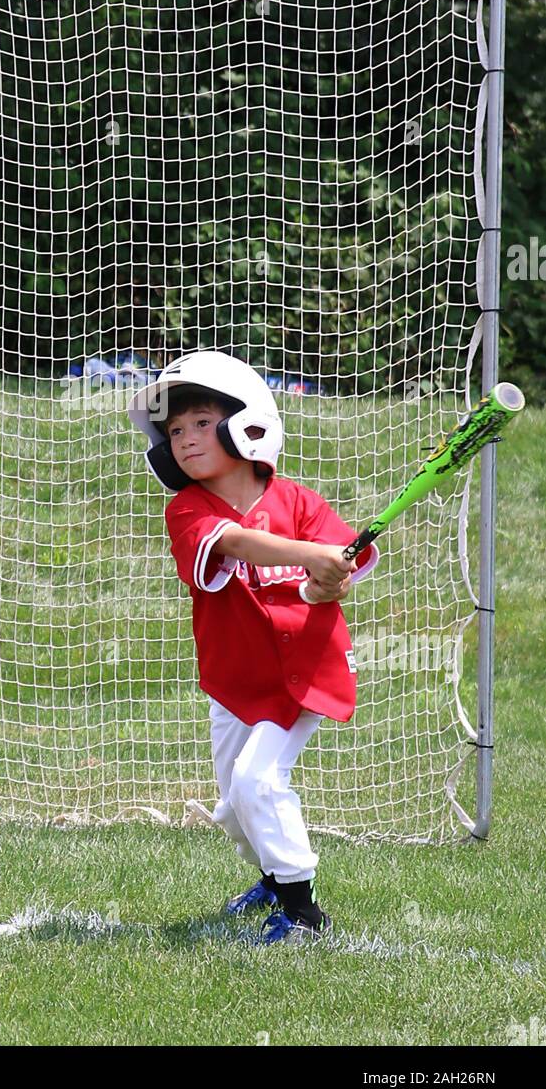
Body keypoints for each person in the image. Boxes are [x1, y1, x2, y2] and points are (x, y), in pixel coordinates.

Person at [127, 351, 379, 943]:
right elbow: (235, 542)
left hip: (303, 672)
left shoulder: (297, 501)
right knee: (237, 810)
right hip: (236, 682)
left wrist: (334, 577)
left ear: (246, 422)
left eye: (199, 423)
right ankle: (270, 876)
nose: (185, 438)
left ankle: (302, 912)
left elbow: (350, 557)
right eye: (175, 431)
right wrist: (311, 558)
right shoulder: (187, 509)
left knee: (258, 782)